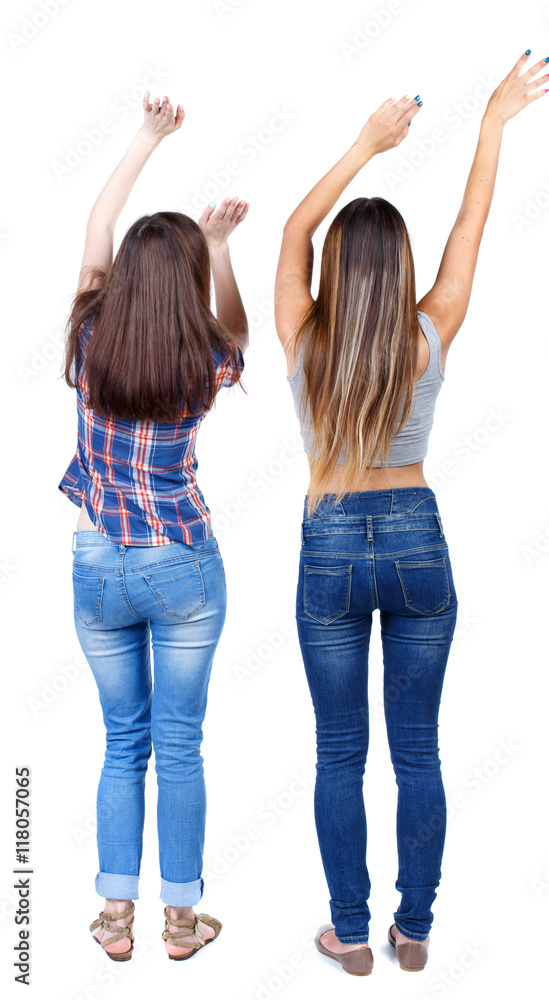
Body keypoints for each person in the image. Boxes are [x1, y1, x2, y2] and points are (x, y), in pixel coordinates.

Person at [274, 51, 549, 975]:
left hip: (328, 540)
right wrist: (492, 122)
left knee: (339, 754)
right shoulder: (431, 329)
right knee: (420, 753)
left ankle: (349, 933)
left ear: (338, 276)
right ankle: (416, 929)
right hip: (417, 536)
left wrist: (366, 146)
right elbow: (473, 222)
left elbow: (292, 232)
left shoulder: (303, 336)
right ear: (399, 273)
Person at [58, 93, 249, 961]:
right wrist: (217, 250)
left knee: (121, 742)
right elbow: (239, 329)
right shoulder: (205, 357)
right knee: (179, 745)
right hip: (181, 565)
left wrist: (146, 135)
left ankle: (112, 919)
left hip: (98, 564)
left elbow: (101, 220)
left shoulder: (89, 332)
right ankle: (182, 920)